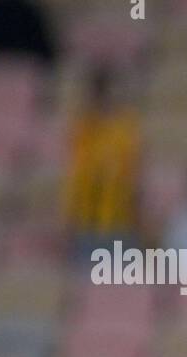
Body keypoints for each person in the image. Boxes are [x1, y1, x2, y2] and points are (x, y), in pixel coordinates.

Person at [63, 66, 141, 258]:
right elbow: (76, 176)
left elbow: (136, 174)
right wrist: (70, 219)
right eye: (97, 93)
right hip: (86, 221)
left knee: (119, 283)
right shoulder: (82, 129)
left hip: (120, 219)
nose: (102, 99)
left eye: (107, 93)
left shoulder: (127, 128)